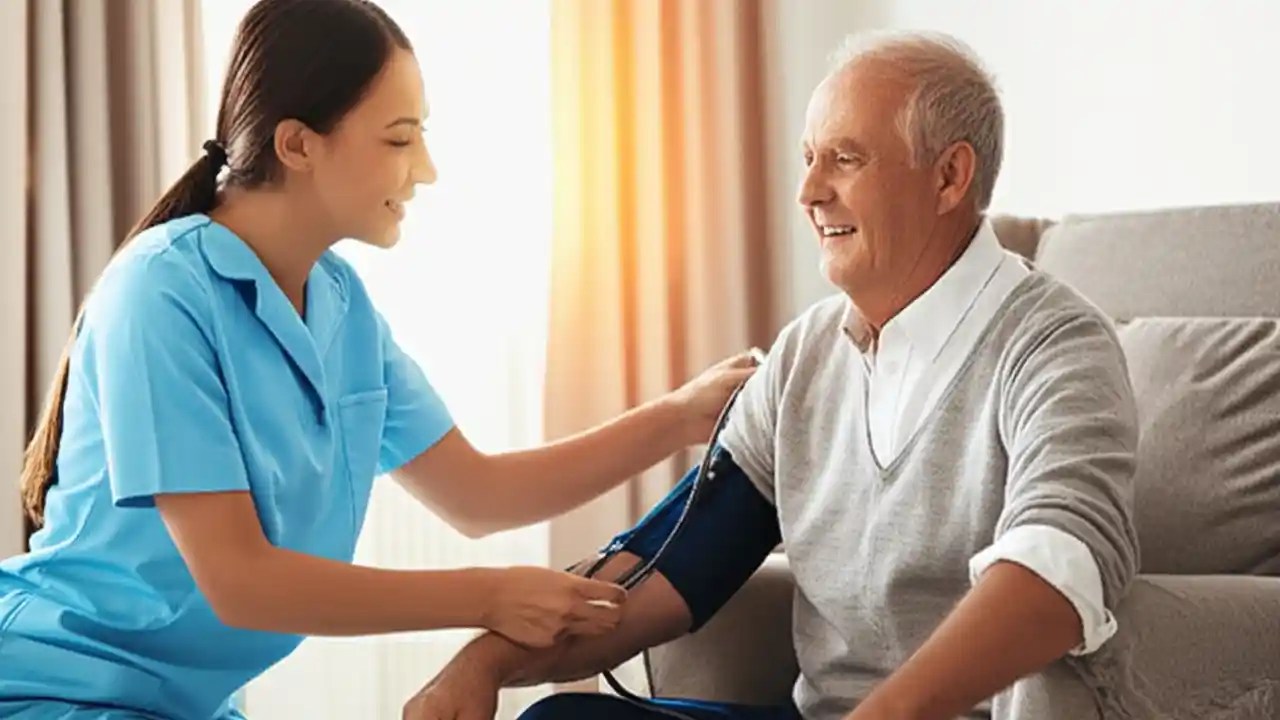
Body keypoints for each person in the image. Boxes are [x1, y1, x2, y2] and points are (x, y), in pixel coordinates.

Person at [0, 1, 757, 718]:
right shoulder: (160, 291)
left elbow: (479, 494)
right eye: (399, 139)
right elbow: (240, 582)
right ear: (298, 144)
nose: (425, 169)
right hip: (53, 686)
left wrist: (679, 417)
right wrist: (488, 596)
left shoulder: (341, 305)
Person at [406, 30, 1141, 720]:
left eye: (845, 159)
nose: (809, 192)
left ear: (949, 176)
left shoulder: (1054, 343)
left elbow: (1060, 566)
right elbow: (670, 562)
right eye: (808, 158)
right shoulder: (805, 356)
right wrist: (484, 662)